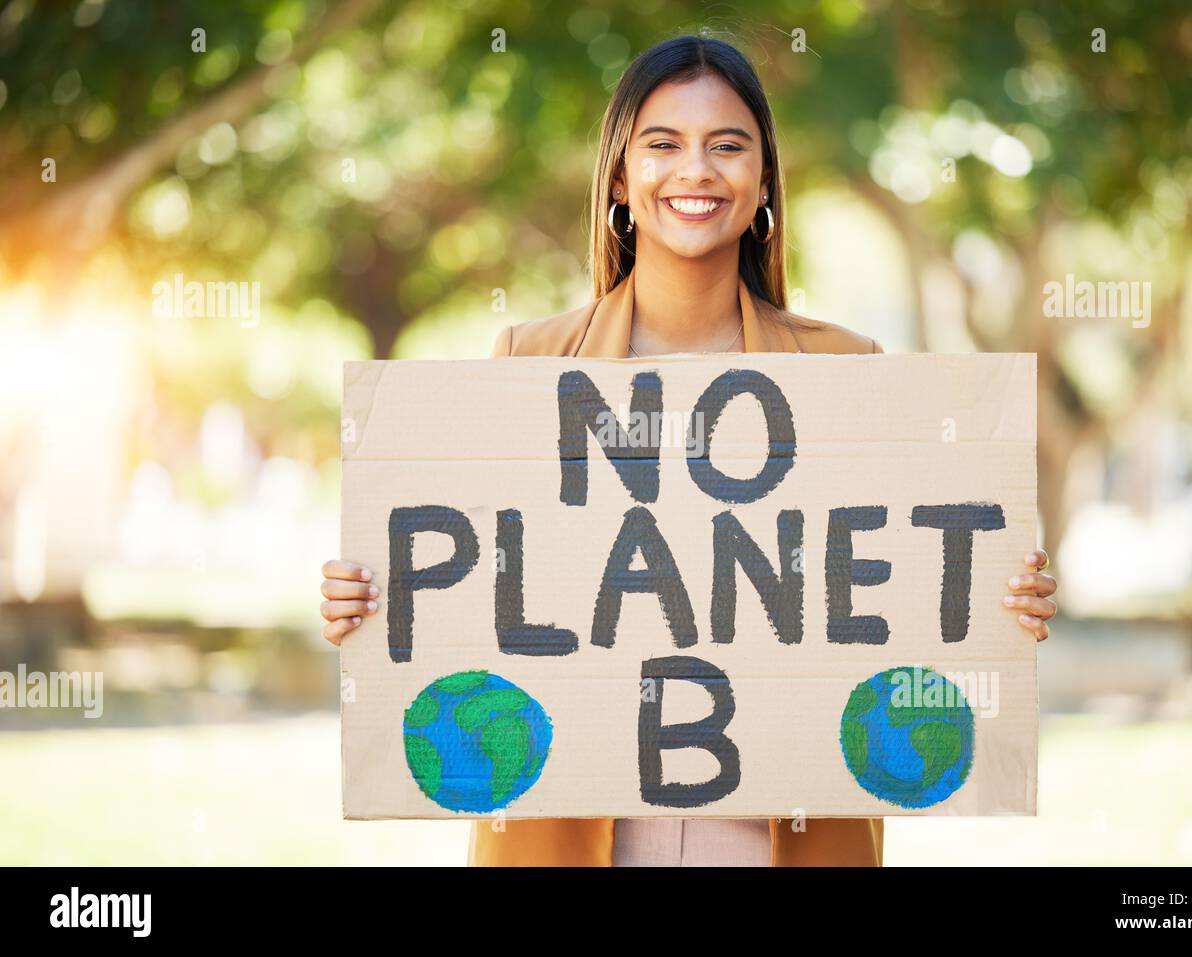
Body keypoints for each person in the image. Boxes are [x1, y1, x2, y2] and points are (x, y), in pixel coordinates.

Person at [319, 35, 1058, 866]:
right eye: (663, 144)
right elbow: (481, 594)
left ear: (765, 180)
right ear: (621, 179)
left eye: (728, 146)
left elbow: (906, 612)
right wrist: (371, 599)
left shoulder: (846, 371)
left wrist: (1000, 598)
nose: (695, 170)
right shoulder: (530, 363)